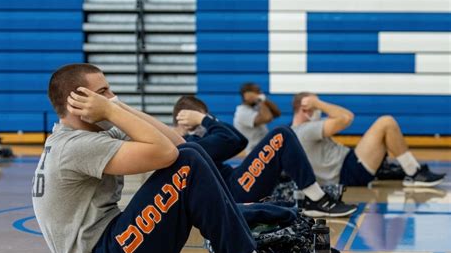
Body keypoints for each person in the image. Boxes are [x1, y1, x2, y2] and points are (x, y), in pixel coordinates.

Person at [32, 63, 319, 253]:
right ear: (77, 101)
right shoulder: (75, 145)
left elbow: (177, 143)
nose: (113, 97)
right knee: (188, 162)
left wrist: (117, 107)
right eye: (104, 92)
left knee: (191, 153)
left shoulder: (89, 135)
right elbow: (168, 154)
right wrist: (112, 112)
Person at [173, 96, 357, 217]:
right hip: (234, 194)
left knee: (282, 135)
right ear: (183, 120)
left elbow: (240, 140)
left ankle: (314, 198)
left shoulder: (193, 141)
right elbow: (231, 140)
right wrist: (204, 120)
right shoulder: (186, 145)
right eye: (198, 119)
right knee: (281, 135)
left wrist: (206, 119)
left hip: (235, 186)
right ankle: (317, 200)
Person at [291, 93, 445, 187]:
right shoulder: (305, 130)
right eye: (316, 107)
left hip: (346, 168)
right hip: (348, 170)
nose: (320, 111)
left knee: (385, 243)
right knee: (386, 122)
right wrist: (318, 103)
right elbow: (346, 118)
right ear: (305, 108)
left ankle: (393, 169)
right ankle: (413, 172)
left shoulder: (295, 132)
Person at [233, 83, 281, 153]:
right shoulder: (242, 112)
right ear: (246, 95)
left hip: (264, 149)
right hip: (254, 153)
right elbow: (267, 118)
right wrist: (259, 100)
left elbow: (277, 113)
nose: (260, 95)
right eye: (257, 93)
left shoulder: (256, 107)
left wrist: (264, 99)